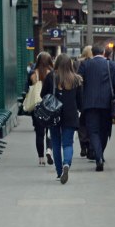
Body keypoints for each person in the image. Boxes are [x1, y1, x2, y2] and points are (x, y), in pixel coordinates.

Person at [77, 44, 115, 171]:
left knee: (93, 132)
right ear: (103, 52)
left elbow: (79, 82)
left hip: (90, 105)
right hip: (108, 105)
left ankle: (99, 157)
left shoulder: (85, 65)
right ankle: (100, 155)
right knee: (104, 131)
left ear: (92, 52)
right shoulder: (111, 65)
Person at [42, 54, 83, 184]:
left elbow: (43, 94)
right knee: (68, 143)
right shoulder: (77, 80)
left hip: (54, 114)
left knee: (55, 143)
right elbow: (80, 101)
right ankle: (67, 165)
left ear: (57, 64)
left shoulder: (51, 77)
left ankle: (59, 172)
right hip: (70, 114)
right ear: (70, 64)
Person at [29, 52, 54, 166]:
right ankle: (49, 149)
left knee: (39, 133)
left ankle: (41, 158)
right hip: (49, 105)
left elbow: (27, 88)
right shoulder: (52, 74)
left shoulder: (33, 74)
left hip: (37, 106)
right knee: (50, 130)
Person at [76, 45, 94, 159]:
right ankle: (90, 146)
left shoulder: (77, 63)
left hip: (81, 97)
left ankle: (83, 146)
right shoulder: (93, 64)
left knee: (81, 124)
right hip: (91, 98)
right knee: (90, 123)